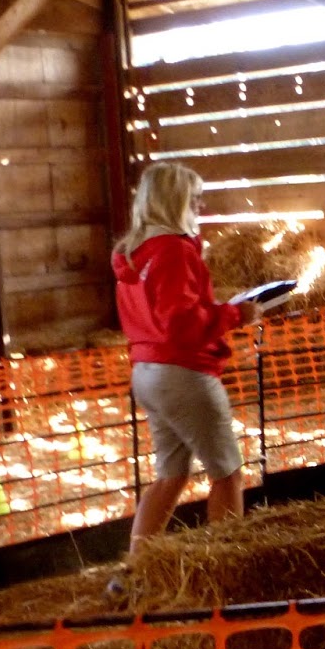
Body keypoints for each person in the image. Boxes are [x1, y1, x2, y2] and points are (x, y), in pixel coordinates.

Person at [111, 163, 261, 552]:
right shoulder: (173, 250)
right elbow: (181, 322)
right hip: (183, 373)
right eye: (194, 199)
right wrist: (233, 315)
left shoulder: (134, 255)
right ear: (175, 201)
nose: (199, 205)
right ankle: (226, 561)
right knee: (227, 474)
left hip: (146, 372)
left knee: (170, 476)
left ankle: (137, 566)